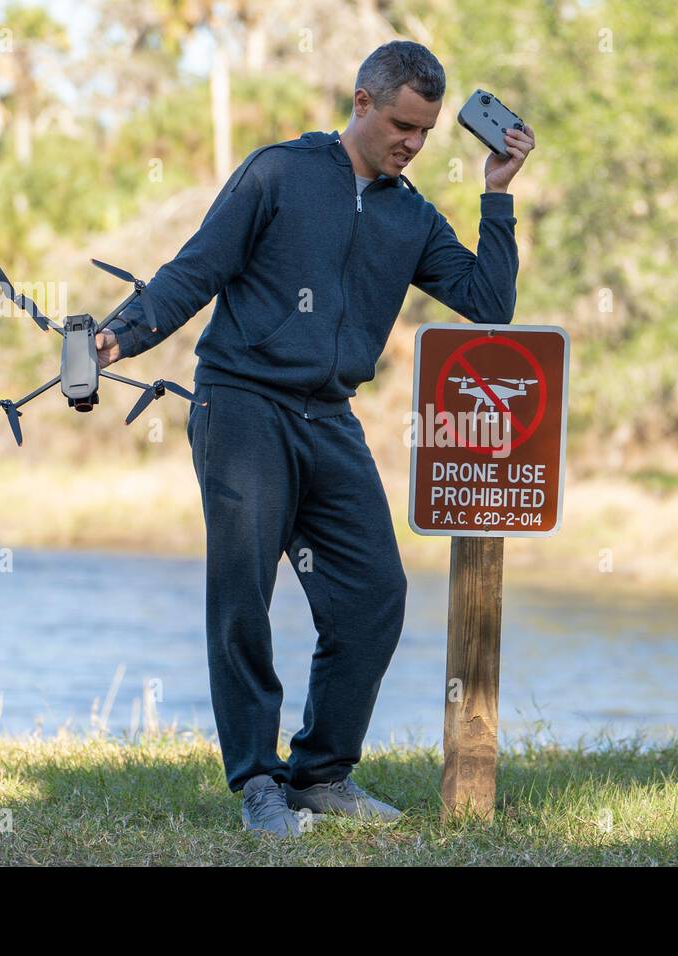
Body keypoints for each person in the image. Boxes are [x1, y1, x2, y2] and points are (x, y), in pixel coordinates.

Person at [95, 40, 535, 837]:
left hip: (328, 418)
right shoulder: (279, 174)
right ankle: (259, 781)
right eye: (403, 123)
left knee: (375, 597)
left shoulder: (411, 214)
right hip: (242, 406)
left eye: (428, 131)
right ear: (362, 103)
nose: (414, 142)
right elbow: (195, 270)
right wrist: (120, 335)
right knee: (243, 597)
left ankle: (321, 774)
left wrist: (496, 194)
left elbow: (489, 303)